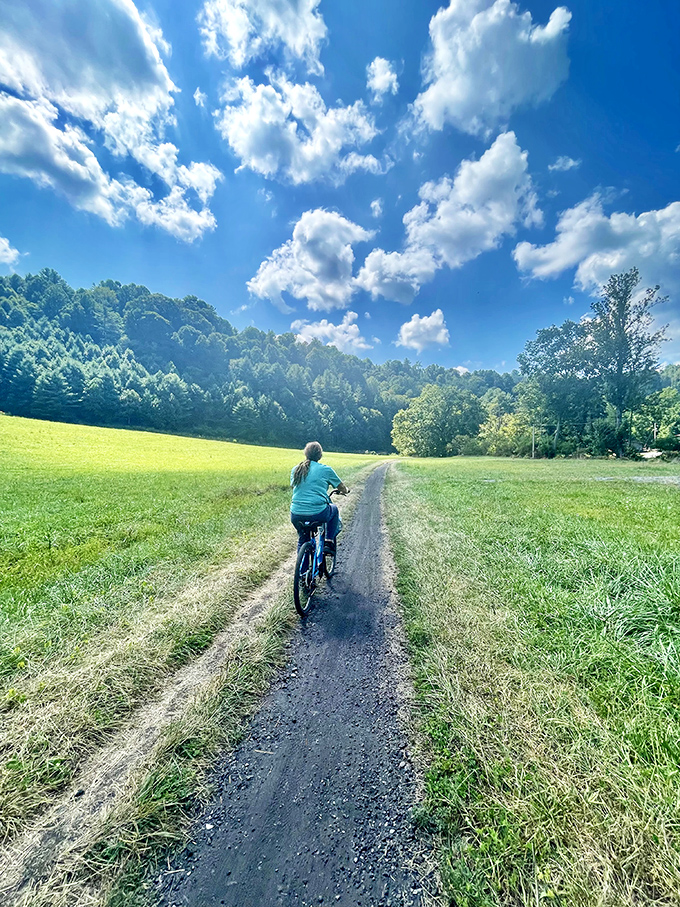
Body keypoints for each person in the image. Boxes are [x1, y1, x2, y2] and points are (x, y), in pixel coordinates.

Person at [290, 441, 349, 552]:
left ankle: (302, 569)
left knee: (303, 540)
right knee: (334, 509)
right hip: (318, 512)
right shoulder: (326, 469)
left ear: (305, 454)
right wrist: (345, 491)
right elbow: (341, 486)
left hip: (296, 513)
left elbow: (293, 486)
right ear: (320, 455)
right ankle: (329, 540)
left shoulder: (296, 470)